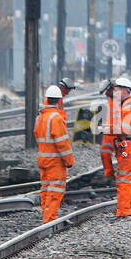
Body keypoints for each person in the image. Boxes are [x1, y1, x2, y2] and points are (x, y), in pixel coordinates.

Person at [100, 77, 131, 217]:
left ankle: (124, 211)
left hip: (129, 147)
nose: (115, 92)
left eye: (117, 89)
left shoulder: (130, 107)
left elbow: (124, 130)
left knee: (124, 180)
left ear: (125, 90)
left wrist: (105, 129)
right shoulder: (127, 105)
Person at [34, 86, 76, 223]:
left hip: (42, 158)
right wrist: (69, 161)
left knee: (45, 189)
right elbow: (62, 143)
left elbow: (37, 136)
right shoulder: (56, 118)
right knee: (55, 189)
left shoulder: (40, 117)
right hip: (55, 160)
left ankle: (46, 215)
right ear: (59, 101)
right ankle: (50, 218)